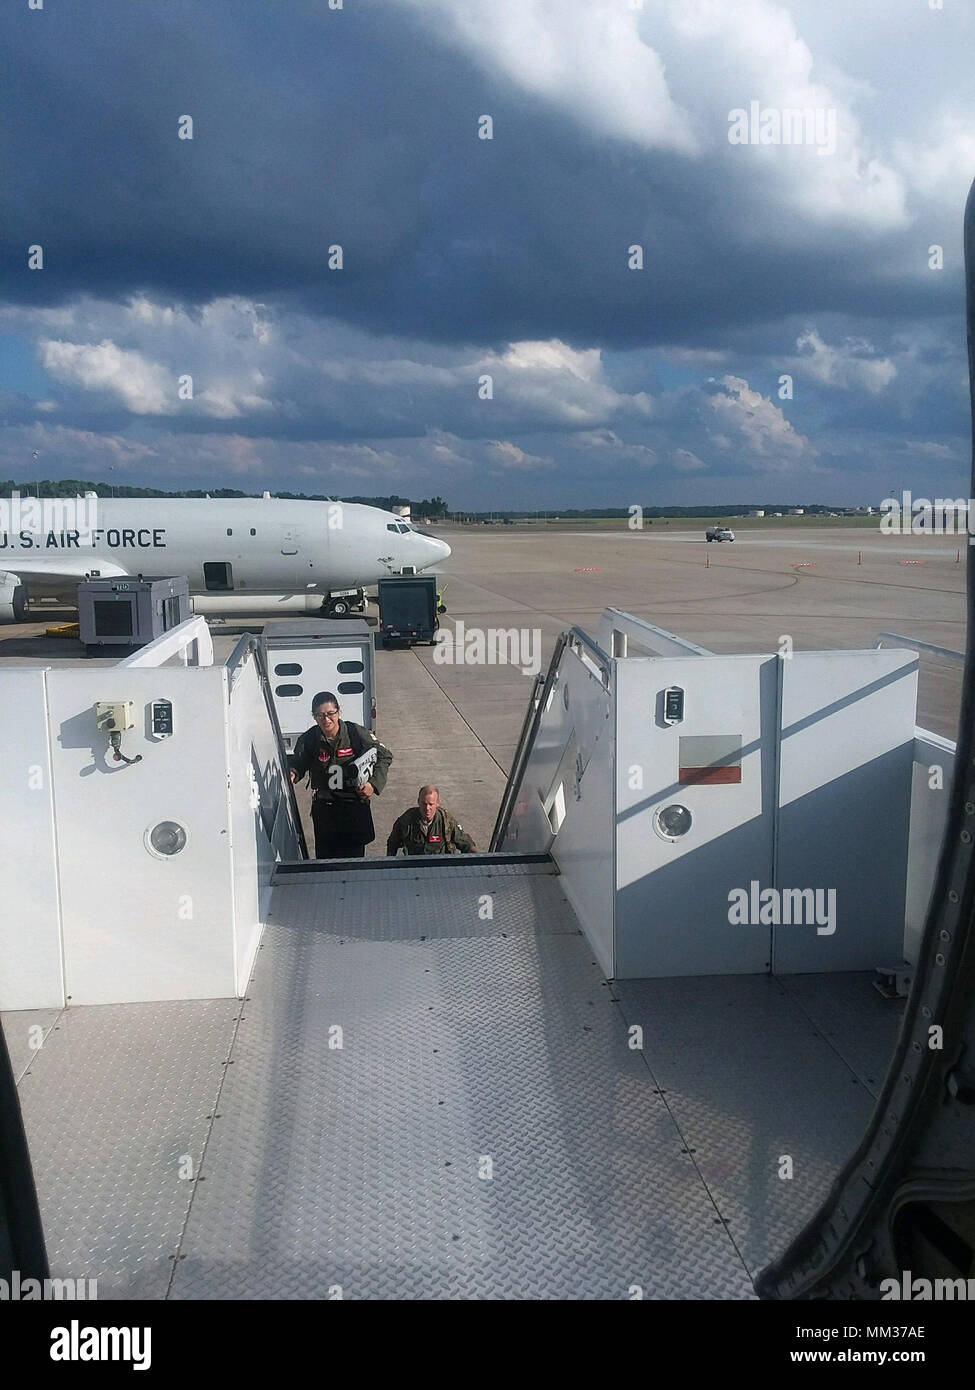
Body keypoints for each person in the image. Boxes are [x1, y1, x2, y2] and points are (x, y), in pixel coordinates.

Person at [289, 691, 393, 859]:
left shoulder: (354, 733)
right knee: (326, 861)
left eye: (330, 714)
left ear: (338, 711)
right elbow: (298, 762)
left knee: (353, 862)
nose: (326, 720)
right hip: (325, 810)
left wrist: (373, 784)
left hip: (353, 806)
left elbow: (385, 755)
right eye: (320, 715)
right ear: (314, 717)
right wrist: (292, 773)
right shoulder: (309, 739)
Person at [386, 786, 476, 856]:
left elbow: (465, 843)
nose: (427, 808)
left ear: (437, 803)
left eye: (431, 804)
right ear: (418, 802)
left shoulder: (447, 821)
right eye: (424, 804)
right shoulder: (406, 820)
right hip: (414, 866)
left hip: (440, 866)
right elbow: (392, 843)